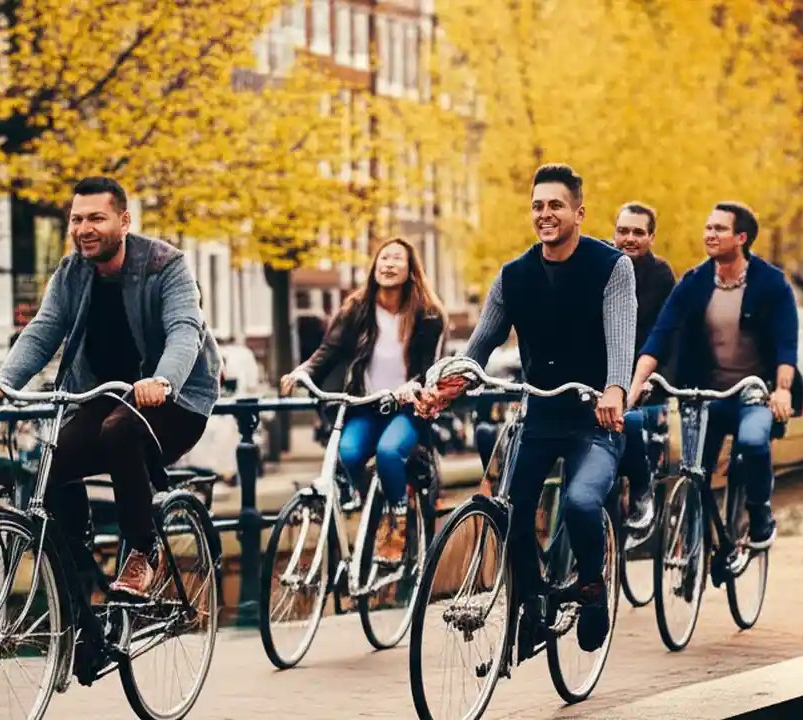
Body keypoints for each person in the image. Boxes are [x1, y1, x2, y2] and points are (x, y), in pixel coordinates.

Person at [418, 163, 636, 653]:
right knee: (511, 512)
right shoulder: (513, 277)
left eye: (556, 205)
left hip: (593, 418)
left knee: (581, 503)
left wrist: (615, 391)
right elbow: (478, 348)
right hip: (540, 415)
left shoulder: (611, 267)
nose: (545, 214)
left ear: (579, 212)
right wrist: (446, 386)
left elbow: (621, 341)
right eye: (538, 205)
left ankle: (593, 588)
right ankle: (534, 600)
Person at [0, 176, 221, 600]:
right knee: (53, 466)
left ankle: (142, 550)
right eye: (77, 219)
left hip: (176, 399)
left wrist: (163, 379)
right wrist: (6, 381)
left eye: (96, 217)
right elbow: (44, 328)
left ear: (124, 221)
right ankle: (79, 577)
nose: (84, 228)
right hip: (105, 395)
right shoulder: (72, 272)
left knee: (122, 429)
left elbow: (185, 329)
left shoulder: (165, 265)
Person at [627, 201, 801, 550]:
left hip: (754, 394)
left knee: (753, 442)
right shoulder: (694, 282)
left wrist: (782, 390)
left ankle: (759, 510)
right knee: (694, 471)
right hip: (705, 396)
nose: (710, 234)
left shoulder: (771, 284)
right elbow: (659, 337)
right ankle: (700, 547)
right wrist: (634, 387)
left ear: (741, 237)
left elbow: (786, 345)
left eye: (719, 229)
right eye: (708, 227)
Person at [281, 238, 445, 565]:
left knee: (388, 451)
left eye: (397, 258)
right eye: (383, 258)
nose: (388, 264)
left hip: (406, 409)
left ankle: (398, 520)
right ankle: (379, 499)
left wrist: (412, 388)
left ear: (411, 269)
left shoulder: (428, 315)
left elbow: (429, 369)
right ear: (374, 267)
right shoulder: (356, 309)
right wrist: (301, 372)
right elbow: (328, 352)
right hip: (367, 405)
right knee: (349, 453)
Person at [613, 202, 676, 532]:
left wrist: (654, 377)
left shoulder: (661, 275)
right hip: (605, 372)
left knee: (635, 421)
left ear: (651, 236)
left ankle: (641, 490)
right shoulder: (602, 266)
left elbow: (664, 333)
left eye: (638, 232)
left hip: (646, 374)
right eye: (623, 231)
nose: (629, 239)